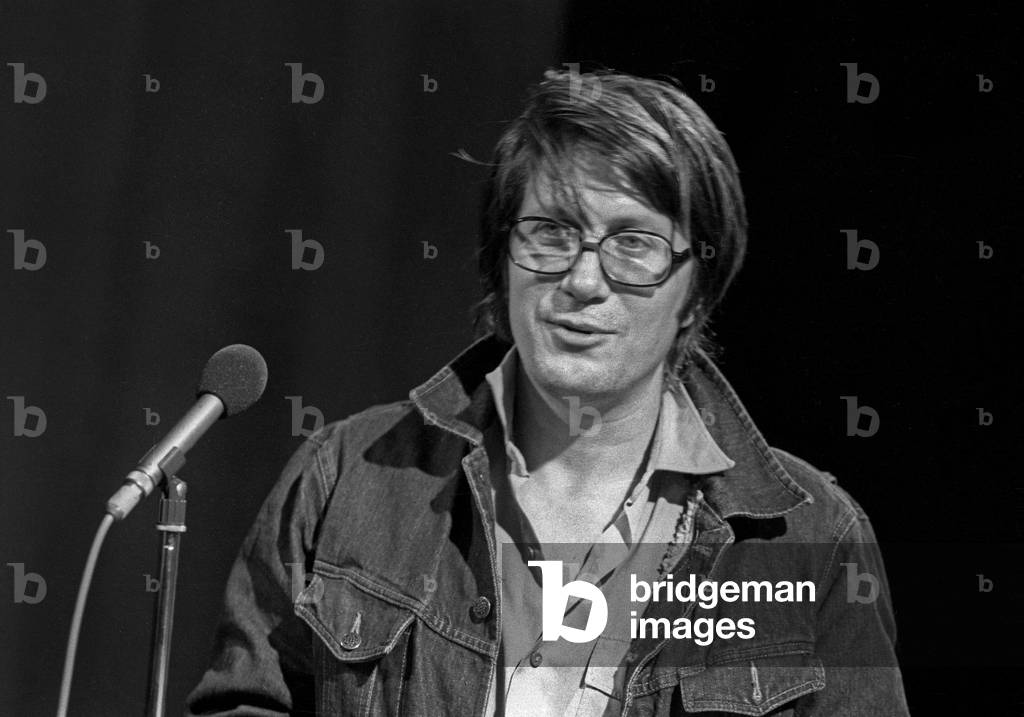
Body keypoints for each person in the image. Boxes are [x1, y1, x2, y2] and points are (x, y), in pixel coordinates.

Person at [186, 69, 910, 716]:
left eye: (634, 243)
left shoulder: (812, 538)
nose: (584, 279)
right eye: (551, 232)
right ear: (503, 259)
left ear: (694, 292)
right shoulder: (347, 473)